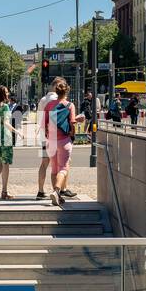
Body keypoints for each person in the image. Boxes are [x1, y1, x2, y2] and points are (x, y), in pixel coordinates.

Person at [46, 79, 83, 207]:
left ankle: (57, 196)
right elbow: (72, 122)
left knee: (54, 169)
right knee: (63, 168)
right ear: (67, 91)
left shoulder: (49, 105)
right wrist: (72, 133)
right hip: (64, 140)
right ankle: (56, 191)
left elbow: (43, 122)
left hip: (51, 141)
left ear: (56, 91)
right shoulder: (69, 105)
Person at [0, 86, 22, 199]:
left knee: (1, 163)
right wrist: (18, 132)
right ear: (3, 94)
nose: (8, 93)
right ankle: (4, 192)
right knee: (5, 164)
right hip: (5, 137)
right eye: (6, 92)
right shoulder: (5, 106)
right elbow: (6, 123)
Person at [35, 81, 60, 200]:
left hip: (44, 135)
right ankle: (58, 191)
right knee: (58, 164)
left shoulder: (43, 100)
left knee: (44, 163)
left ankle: (40, 190)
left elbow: (39, 118)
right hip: (55, 135)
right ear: (56, 87)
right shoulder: (58, 99)